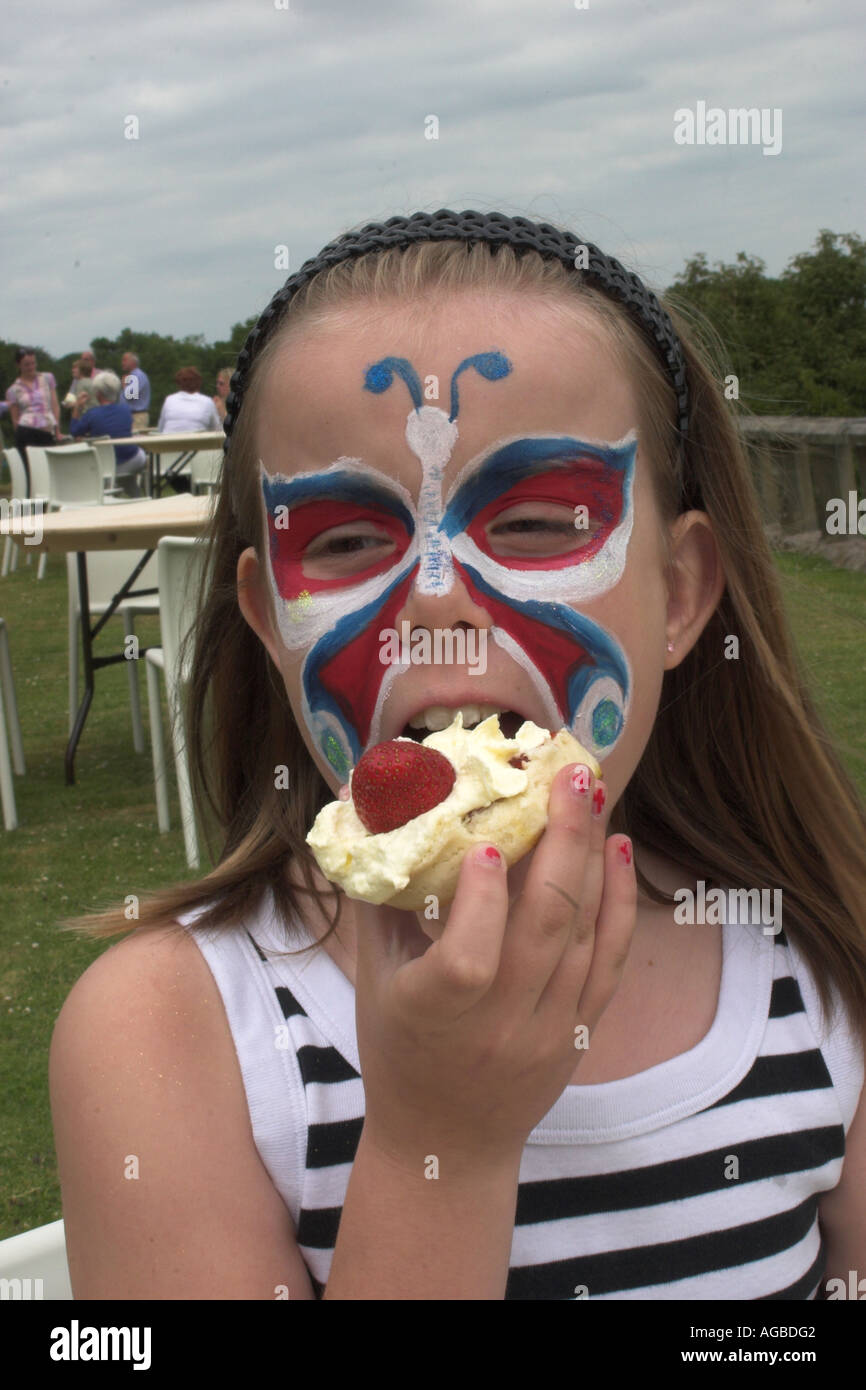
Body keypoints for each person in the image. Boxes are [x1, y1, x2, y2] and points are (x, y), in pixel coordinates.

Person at [50, 211, 866, 1302]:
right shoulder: (165, 1033)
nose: (434, 595)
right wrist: (438, 1149)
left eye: (534, 522)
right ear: (264, 621)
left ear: (678, 595)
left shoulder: (817, 960)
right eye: (342, 539)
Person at [69, 369, 147, 497]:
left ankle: (113, 497)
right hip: (132, 460)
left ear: (98, 394)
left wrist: (78, 407)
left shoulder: (92, 414)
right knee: (129, 477)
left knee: (120, 475)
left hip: (106, 466)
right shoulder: (126, 410)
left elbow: (74, 432)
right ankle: (138, 498)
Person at [5, 346, 62, 493]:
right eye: (26, 364)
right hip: (27, 431)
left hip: (46, 429)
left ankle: (49, 504)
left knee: (49, 471)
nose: (31, 367)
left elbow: (54, 404)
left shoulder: (47, 378)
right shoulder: (13, 390)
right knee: (31, 473)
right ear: (19, 365)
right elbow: (15, 419)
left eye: (33, 363)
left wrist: (57, 429)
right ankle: (33, 508)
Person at [120, 350, 151, 432]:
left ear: (133, 362)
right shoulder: (132, 376)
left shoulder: (138, 375)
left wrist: (124, 385)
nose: (122, 363)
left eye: (124, 360)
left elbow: (131, 395)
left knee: (137, 442)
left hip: (137, 417)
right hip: (130, 416)